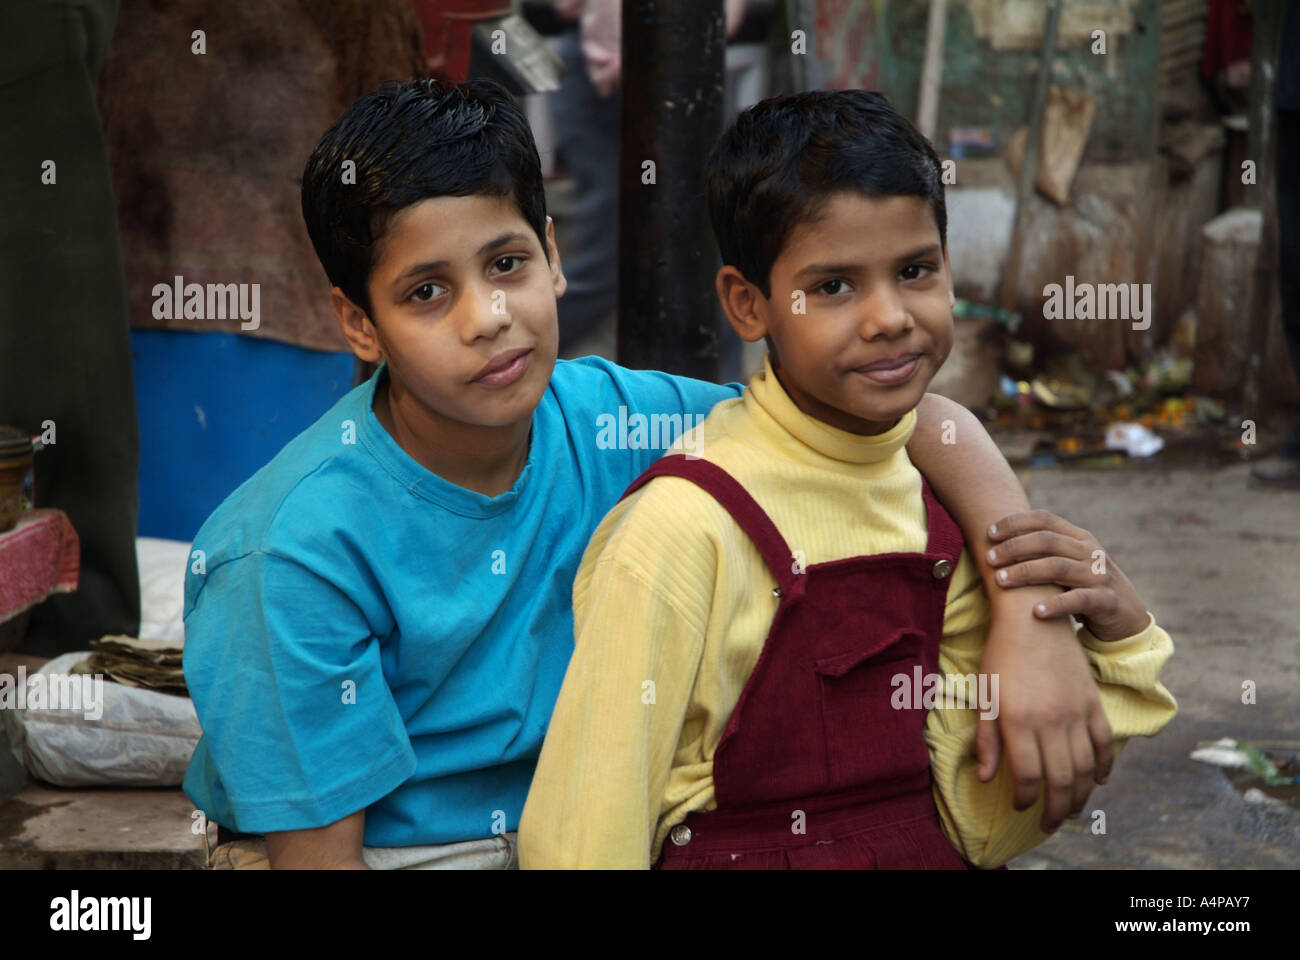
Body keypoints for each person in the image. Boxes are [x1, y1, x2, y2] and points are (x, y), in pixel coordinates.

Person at [185, 78, 1125, 870]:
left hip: (622, 823)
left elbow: (896, 413)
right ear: (358, 324)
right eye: (427, 293)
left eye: (506, 263)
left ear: (554, 257)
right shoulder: (289, 557)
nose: (488, 318)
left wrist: (1025, 608)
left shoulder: (621, 419)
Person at [518, 90, 1178, 869]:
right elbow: (582, 840)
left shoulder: (943, 510)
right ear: (747, 303)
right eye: (833, 286)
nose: (889, 317)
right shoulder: (681, 529)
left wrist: (1119, 644)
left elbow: (982, 826)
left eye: (915, 270)